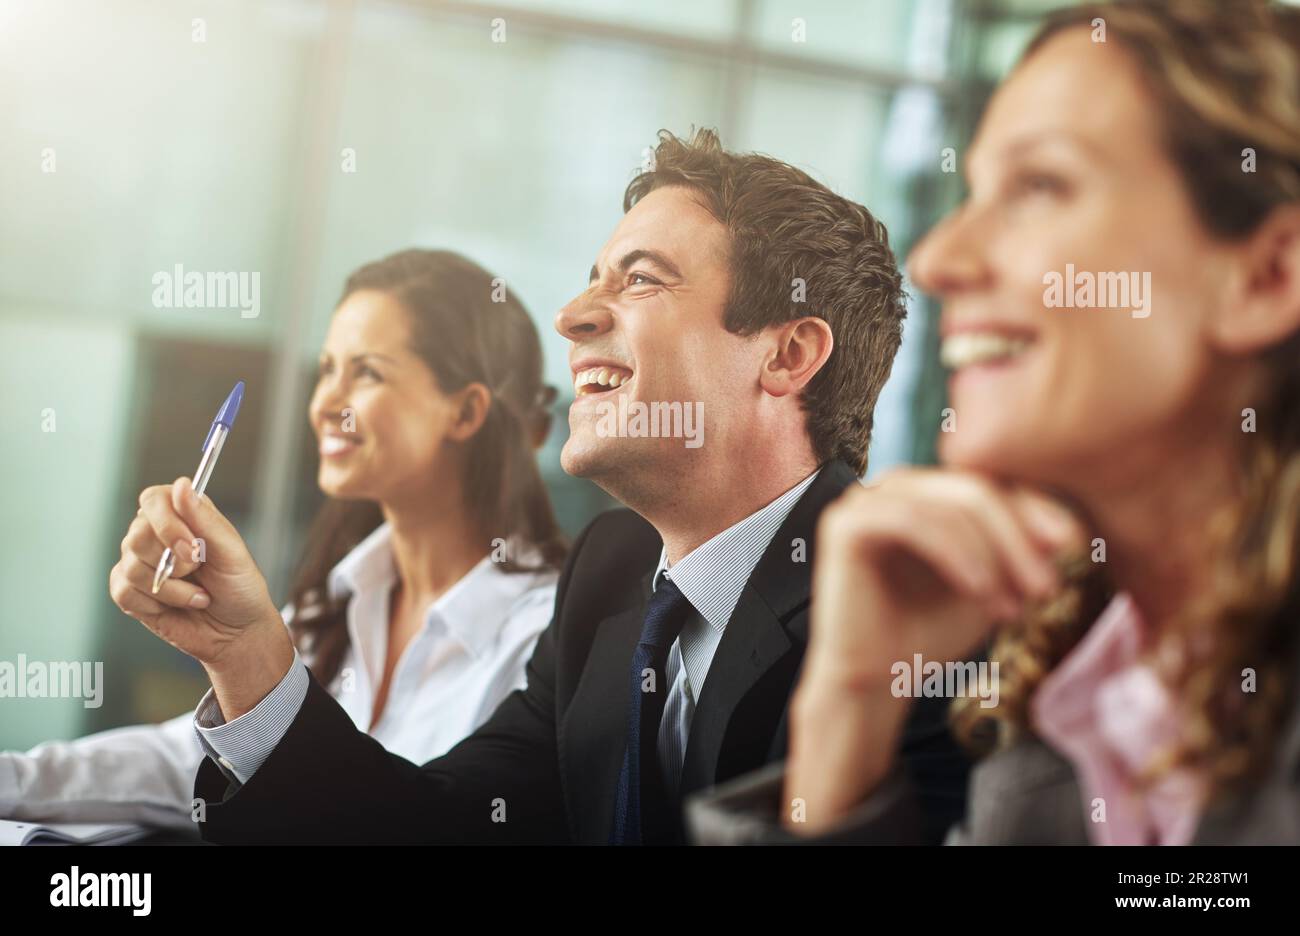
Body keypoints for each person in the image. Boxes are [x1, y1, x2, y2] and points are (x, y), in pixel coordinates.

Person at [113, 129, 971, 845]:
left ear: (787, 356)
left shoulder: (914, 610)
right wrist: (248, 654)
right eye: (595, 275)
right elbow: (432, 832)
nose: (570, 315)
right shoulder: (608, 573)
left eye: (639, 279)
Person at [688, 0, 1300, 846]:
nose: (938, 260)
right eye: (975, 189)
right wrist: (848, 710)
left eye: (1039, 185)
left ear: (1268, 276)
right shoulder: (1057, 713)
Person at [0, 249, 564, 837]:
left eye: (366, 372)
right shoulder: (341, 599)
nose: (323, 403)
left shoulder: (547, 636)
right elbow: (193, 759)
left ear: (466, 410)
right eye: (326, 369)